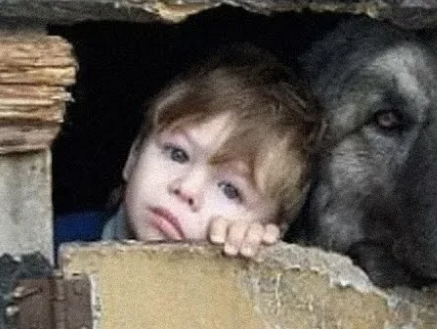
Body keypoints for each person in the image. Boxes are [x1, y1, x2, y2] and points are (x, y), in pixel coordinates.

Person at [99, 44, 322, 258]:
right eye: (178, 154)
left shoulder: (244, 293)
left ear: (271, 231)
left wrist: (250, 266)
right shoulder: (64, 239)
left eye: (230, 190)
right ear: (134, 155)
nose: (186, 189)